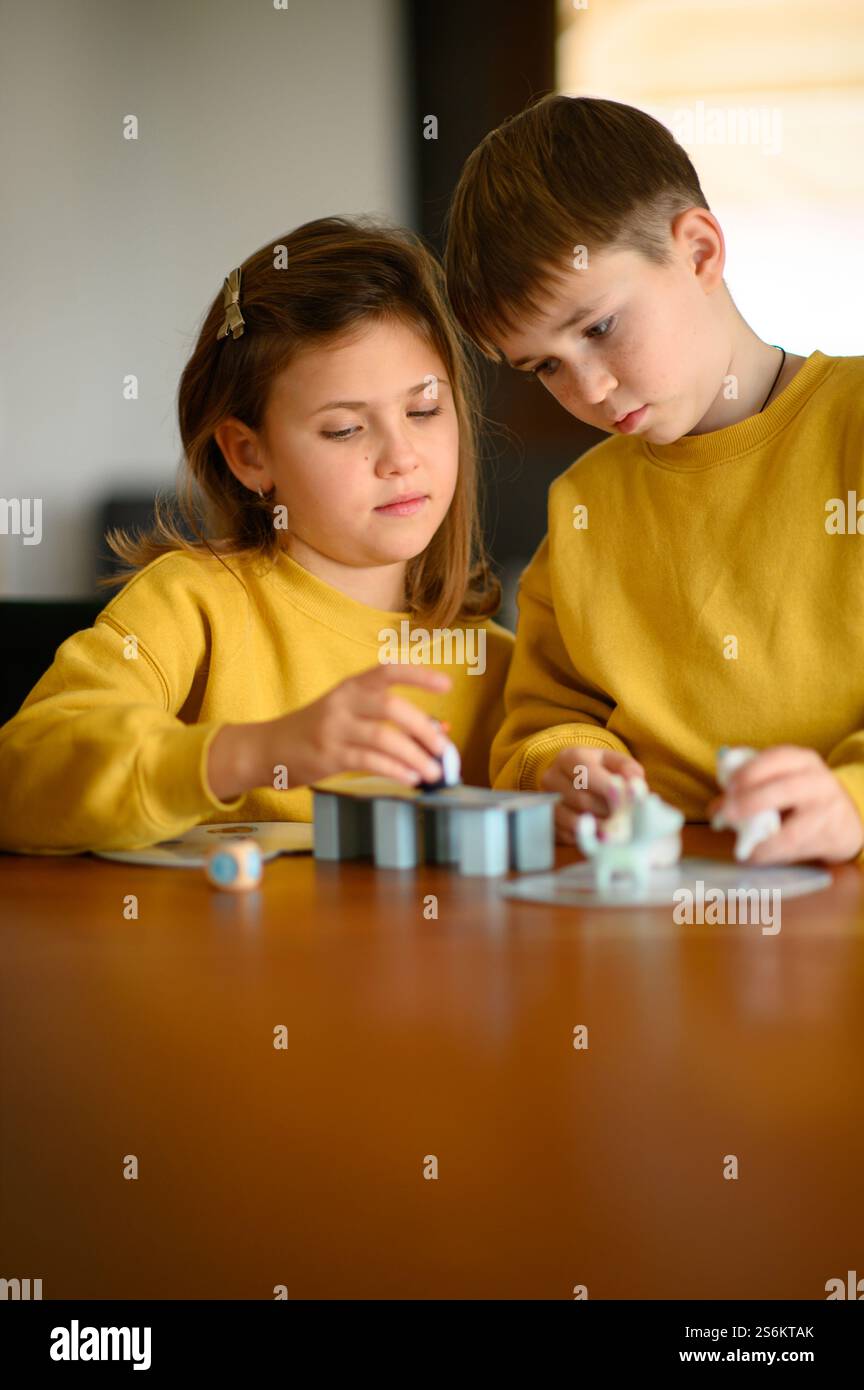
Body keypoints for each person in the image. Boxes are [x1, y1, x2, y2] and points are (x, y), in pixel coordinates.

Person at [0, 217, 512, 854]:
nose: (400, 456)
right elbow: (20, 778)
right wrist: (256, 752)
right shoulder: (191, 605)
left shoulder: (498, 666)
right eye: (345, 429)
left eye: (424, 410)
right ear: (250, 456)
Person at [444, 94, 864, 865]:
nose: (589, 391)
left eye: (598, 329)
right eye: (545, 368)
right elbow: (546, 716)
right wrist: (562, 766)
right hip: (648, 918)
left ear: (699, 251)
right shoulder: (583, 509)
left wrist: (852, 801)